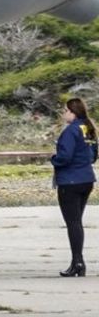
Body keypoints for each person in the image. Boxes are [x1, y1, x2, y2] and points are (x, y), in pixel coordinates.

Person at [51, 97, 98, 277]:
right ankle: (77, 261)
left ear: (73, 112)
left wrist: (54, 160)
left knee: (73, 223)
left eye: (65, 110)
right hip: (86, 178)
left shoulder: (70, 131)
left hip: (70, 181)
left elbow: (65, 156)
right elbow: (94, 155)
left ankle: (78, 261)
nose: (63, 114)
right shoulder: (88, 128)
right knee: (77, 222)